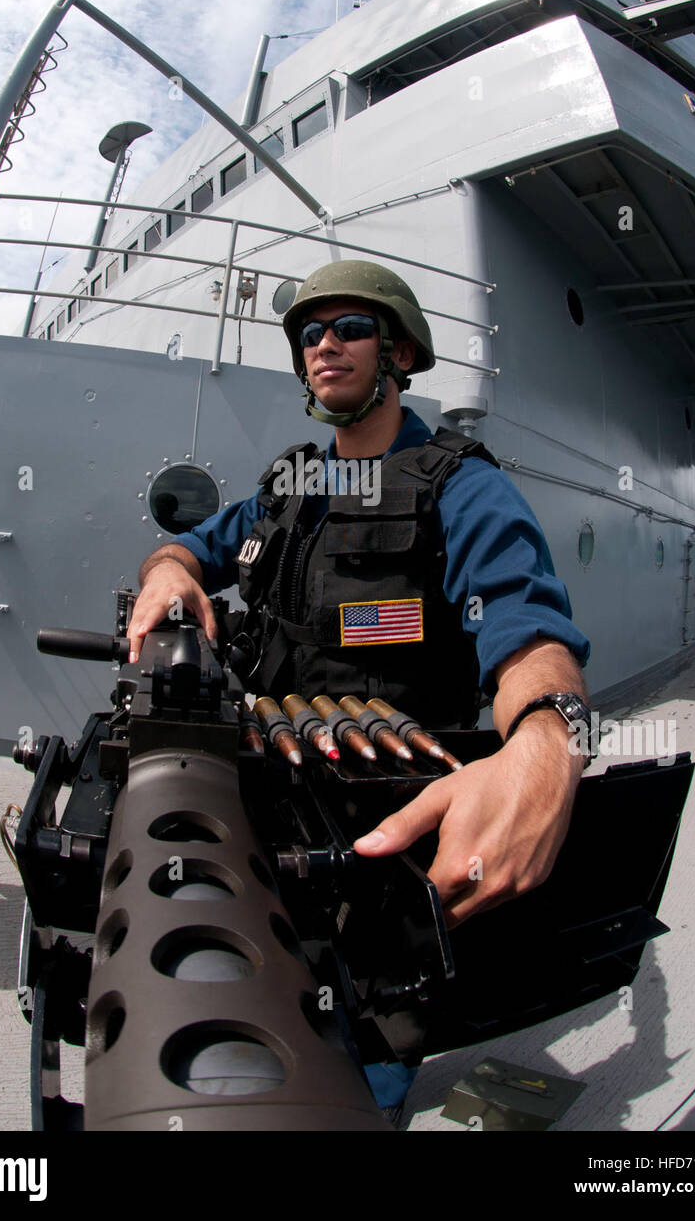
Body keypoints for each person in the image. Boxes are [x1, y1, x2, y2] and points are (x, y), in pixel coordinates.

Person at [128, 259, 593, 933]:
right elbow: (185, 551)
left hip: (385, 797)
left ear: (398, 353)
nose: (324, 343)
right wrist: (168, 572)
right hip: (265, 768)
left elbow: (526, 631)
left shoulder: (459, 486)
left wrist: (550, 741)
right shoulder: (289, 484)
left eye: (350, 328)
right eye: (310, 334)